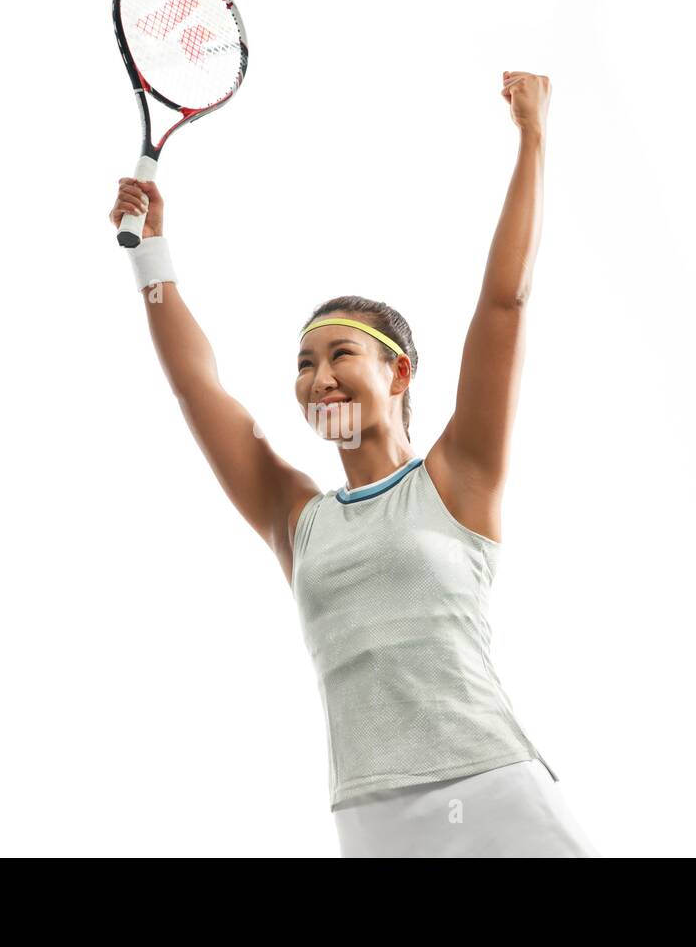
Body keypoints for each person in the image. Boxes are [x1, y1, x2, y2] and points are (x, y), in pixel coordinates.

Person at [110, 71, 599, 857]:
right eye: (304, 363)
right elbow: (197, 385)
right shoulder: (296, 519)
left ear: (399, 374)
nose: (320, 377)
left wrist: (533, 136)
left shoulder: (456, 477)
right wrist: (151, 258)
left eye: (340, 354)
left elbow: (504, 302)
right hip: (367, 813)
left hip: (492, 788)